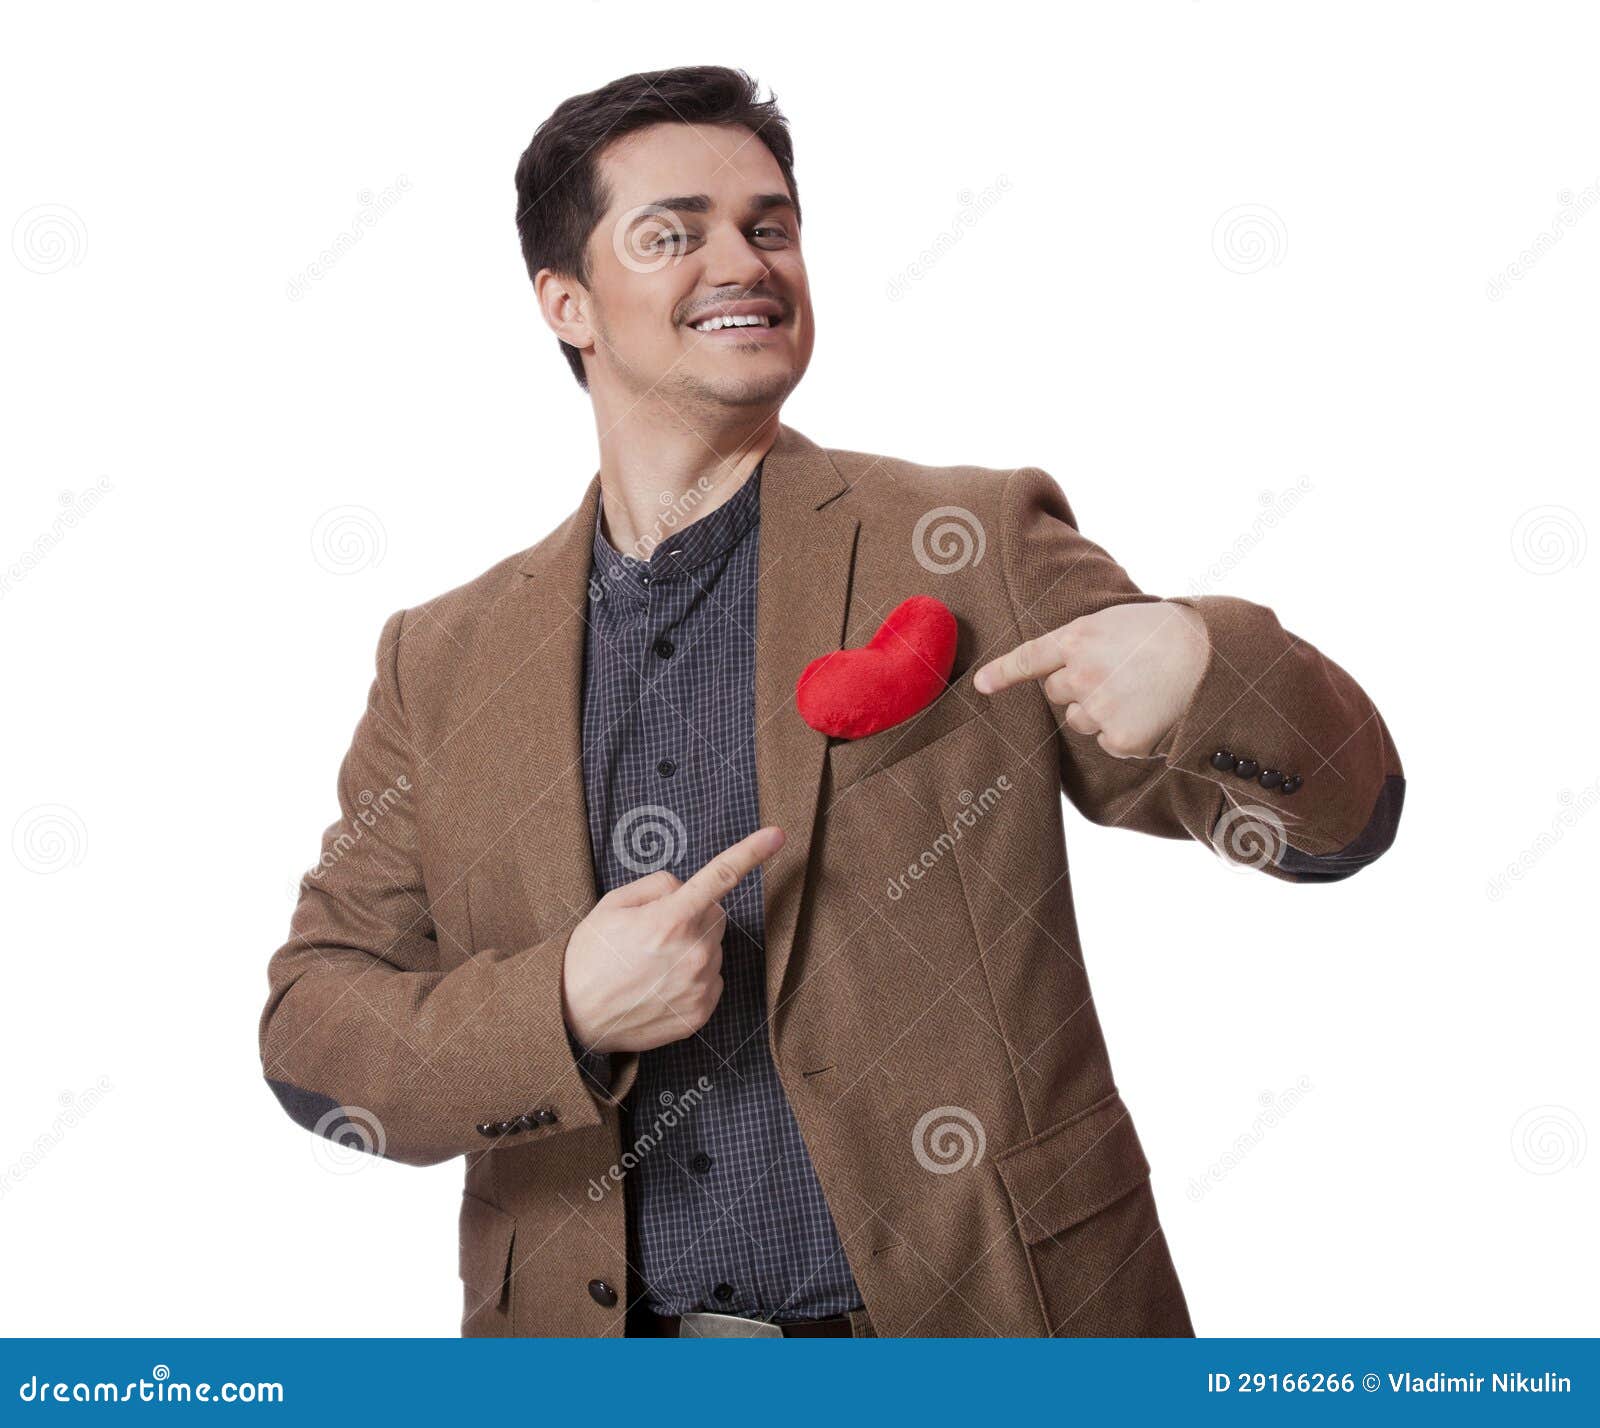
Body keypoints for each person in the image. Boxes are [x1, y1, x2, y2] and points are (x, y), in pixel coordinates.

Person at [259, 65, 1405, 1338]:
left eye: (770, 226)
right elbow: (316, 1028)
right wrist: (565, 1009)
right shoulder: (445, 658)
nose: (742, 261)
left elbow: (1339, 823)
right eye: (672, 233)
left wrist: (1212, 666)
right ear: (566, 303)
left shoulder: (971, 541)